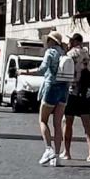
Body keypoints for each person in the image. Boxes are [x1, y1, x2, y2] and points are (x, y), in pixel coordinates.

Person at [61, 34, 90, 163]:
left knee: (67, 121)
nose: (69, 43)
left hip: (72, 91)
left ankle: (67, 152)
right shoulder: (88, 55)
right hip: (86, 92)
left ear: (74, 41)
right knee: (87, 123)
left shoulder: (70, 54)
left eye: (70, 41)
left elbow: (65, 73)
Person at [36, 30, 69, 166]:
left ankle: (48, 149)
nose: (46, 42)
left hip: (52, 88)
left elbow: (43, 69)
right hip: (64, 90)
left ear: (51, 41)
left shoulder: (50, 52)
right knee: (57, 124)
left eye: (48, 40)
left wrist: (25, 71)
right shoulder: (64, 53)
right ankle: (56, 157)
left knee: (43, 120)